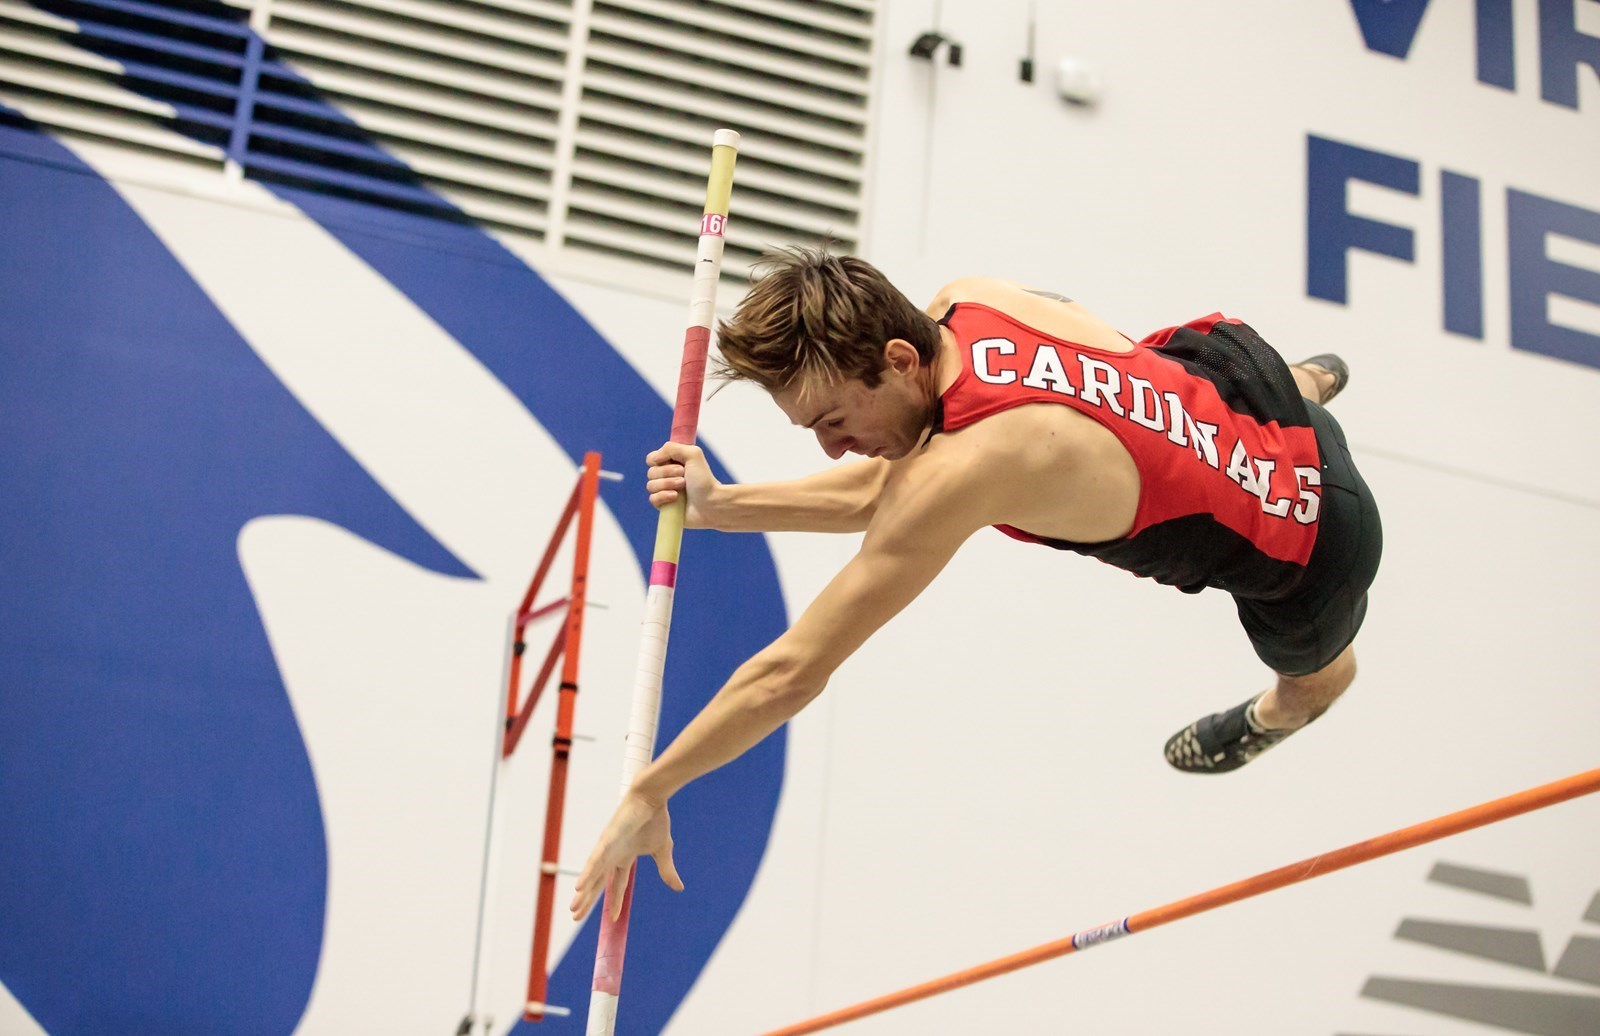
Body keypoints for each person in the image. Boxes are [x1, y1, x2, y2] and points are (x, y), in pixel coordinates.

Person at [570, 248, 1382, 921]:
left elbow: (791, 671)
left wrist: (653, 787)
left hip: (1312, 537)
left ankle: (1280, 712)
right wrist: (723, 507)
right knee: (1157, 368)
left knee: (1313, 684)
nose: (830, 451)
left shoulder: (959, 471)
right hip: (1242, 375)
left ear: (895, 360)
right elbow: (897, 489)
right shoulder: (967, 299)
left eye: (835, 424)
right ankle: (1305, 388)